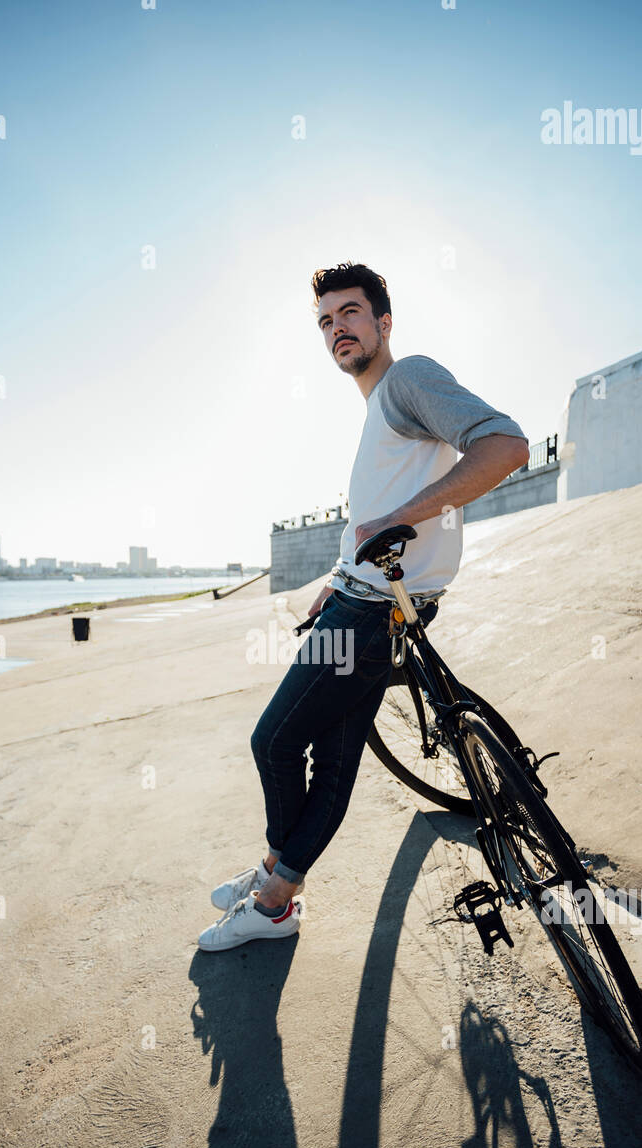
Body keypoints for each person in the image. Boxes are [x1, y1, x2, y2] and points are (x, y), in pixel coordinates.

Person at [198, 262, 528, 950]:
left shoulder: (407, 379)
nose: (336, 329)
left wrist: (400, 519)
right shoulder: (379, 409)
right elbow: (376, 520)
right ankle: (274, 881)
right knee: (335, 759)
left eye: (349, 312)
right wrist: (338, 570)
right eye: (324, 320)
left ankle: (276, 893)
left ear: (382, 321)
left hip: (373, 612)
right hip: (368, 596)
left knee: (274, 740)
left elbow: (505, 446)